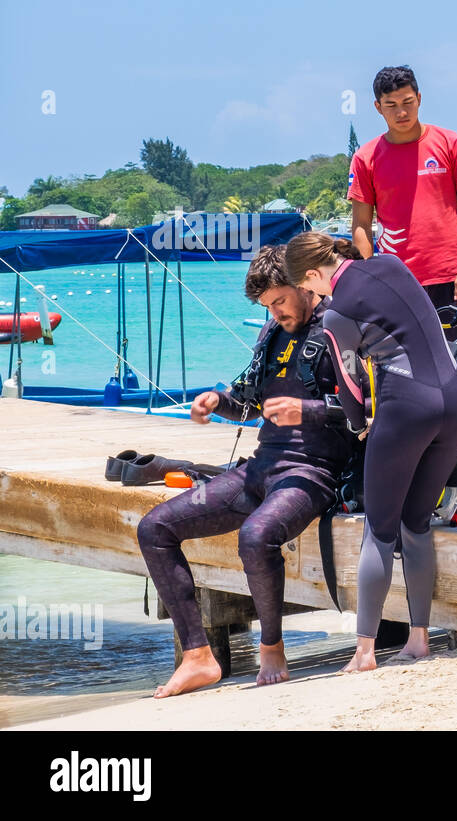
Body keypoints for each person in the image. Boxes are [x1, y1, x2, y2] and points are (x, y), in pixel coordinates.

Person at [136, 246, 355, 697]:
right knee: (154, 527)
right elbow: (250, 403)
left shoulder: (339, 328)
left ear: (302, 285)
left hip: (313, 473)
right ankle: (198, 657)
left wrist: (307, 411)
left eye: (278, 301)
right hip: (260, 469)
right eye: (266, 307)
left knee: (256, 536)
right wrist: (218, 403)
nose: (274, 312)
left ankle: (272, 646)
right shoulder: (272, 334)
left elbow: (366, 409)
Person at [284, 232, 457, 673]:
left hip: (407, 409)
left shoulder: (337, 314)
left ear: (313, 274)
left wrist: (358, 425)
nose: (313, 296)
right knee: (417, 522)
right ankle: (420, 639)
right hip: (455, 403)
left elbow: (350, 384)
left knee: (380, 530)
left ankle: (365, 651)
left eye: (309, 289)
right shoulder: (391, 264)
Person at [347, 65, 457, 313]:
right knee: (396, 354)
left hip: (452, 278)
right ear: (378, 107)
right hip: (394, 282)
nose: (401, 112)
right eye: (391, 105)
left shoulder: (452, 143)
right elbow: (361, 225)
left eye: (408, 102)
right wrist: (368, 279)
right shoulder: (365, 158)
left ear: (419, 99)